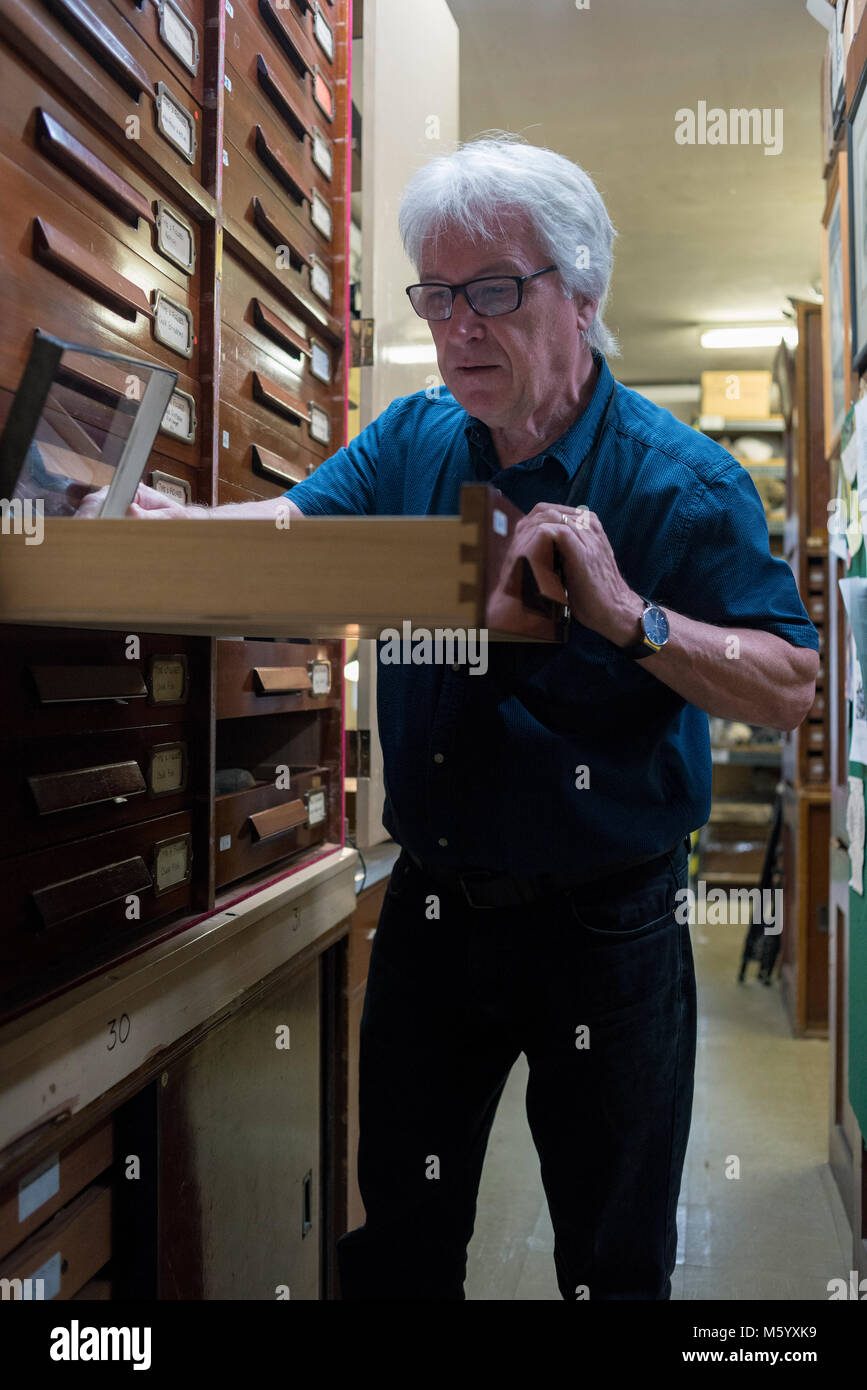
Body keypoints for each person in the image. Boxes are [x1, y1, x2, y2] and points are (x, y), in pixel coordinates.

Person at [95, 135, 819, 1300]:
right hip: (433, 907)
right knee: (404, 1247)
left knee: (613, 1262)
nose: (457, 328)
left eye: (492, 292)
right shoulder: (413, 438)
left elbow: (790, 683)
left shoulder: (682, 484)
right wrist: (132, 534)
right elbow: (289, 535)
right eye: (436, 294)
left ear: (584, 294)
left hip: (608, 929)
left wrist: (632, 615)